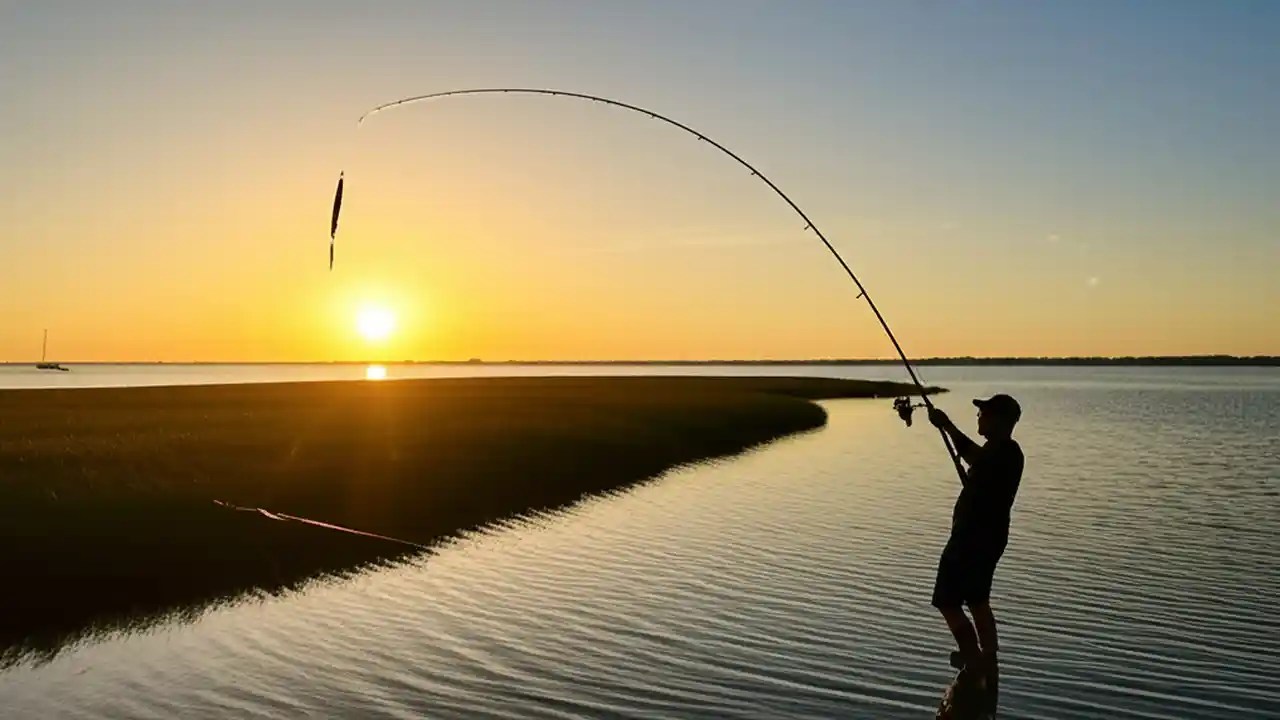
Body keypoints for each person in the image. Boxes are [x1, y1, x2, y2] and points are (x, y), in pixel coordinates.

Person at [927, 394, 1024, 693]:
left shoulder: (1005, 452)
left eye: (983, 413)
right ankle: (989, 662)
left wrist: (947, 426)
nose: (979, 417)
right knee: (977, 599)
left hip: (973, 539)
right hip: (986, 538)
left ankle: (973, 659)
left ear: (998, 419)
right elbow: (976, 463)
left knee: (946, 599)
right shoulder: (1001, 451)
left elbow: (973, 456)